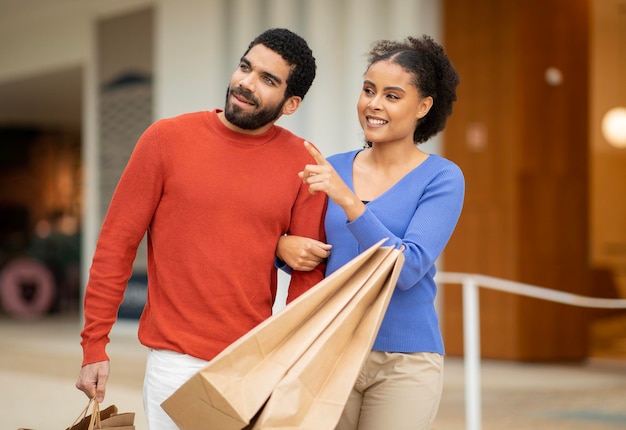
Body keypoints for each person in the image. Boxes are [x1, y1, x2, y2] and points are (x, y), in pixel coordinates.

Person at [76, 28, 327, 428]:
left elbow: (308, 276)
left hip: (252, 361)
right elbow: (116, 246)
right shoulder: (165, 140)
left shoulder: (304, 162)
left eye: (267, 79)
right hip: (174, 361)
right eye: (246, 67)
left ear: (291, 103)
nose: (246, 83)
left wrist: (291, 362)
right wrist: (94, 345)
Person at [276, 35, 463, 429]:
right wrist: (283, 246)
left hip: (405, 361)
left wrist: (350, 203)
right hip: (329, 351)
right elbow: (293, 240)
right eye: (368, 90)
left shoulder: (442, 177)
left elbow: (408, 268)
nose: (373, 104)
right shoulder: (330, 167)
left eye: (392, 96)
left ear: (424, 107)